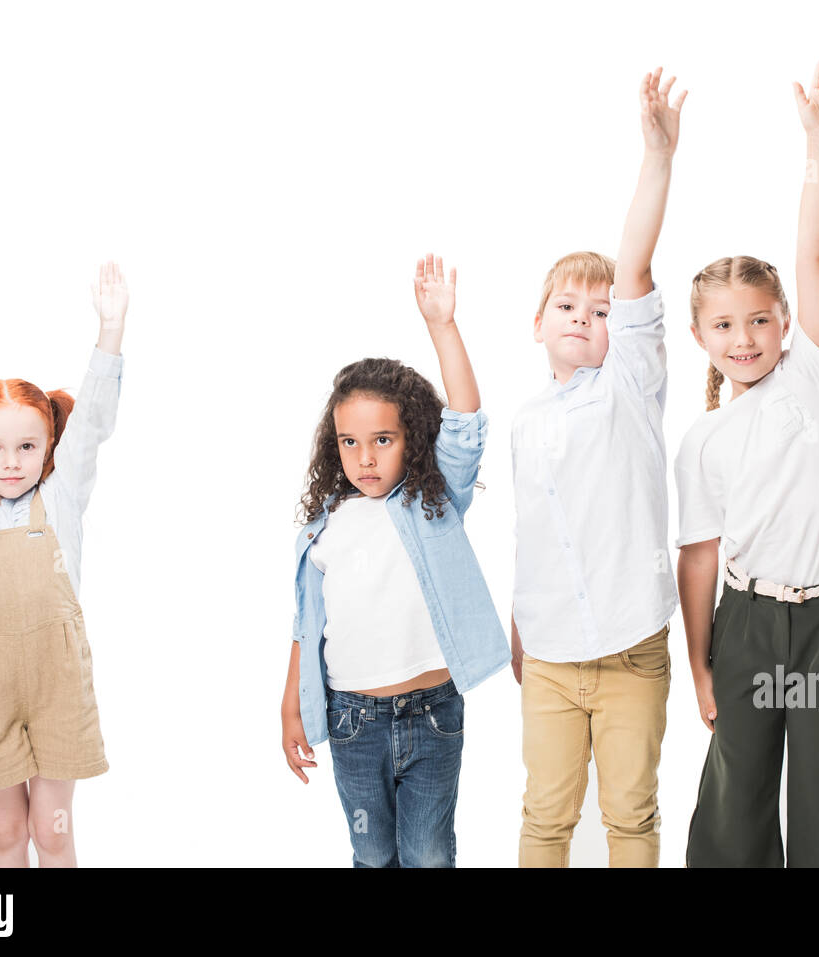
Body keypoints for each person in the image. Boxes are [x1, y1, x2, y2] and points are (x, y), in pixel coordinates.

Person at [676, 54, 819, 867]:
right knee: (737, 808)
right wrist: (700, 665)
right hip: (750, 627)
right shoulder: (705, 440)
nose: (745, 339)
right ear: (701, 338)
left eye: (759, 320)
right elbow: (698, 558)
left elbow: (813, 253)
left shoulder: (816, 373)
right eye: (724, 326)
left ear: (786, 322)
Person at [282, 254, 509, 867]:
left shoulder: (432, 501)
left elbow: (466, 422)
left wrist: (443, 325)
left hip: (434, 712)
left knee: (429, 855)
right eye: (350, 443)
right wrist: (291, 707)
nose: (366, 457)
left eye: (383, 439)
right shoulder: (325, 527)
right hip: (353, 721)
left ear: (412, 435)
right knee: (373, 854)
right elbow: (308, 628)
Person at [510, 67, 685, 868]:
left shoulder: (630, 385)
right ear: (538, 322)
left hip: (629, 647)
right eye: (568, 307)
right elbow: (537, 530)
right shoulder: (527, 421)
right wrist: (522, 619)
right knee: (546, 816)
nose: (586, 319)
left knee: (631, 813)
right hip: (547, 651)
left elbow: (636, 266)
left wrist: (656, 157)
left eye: (602, 310)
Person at [0, 262, 128, 867]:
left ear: (49, 449)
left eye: (28, 446)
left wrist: (109, 333)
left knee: (53, 832)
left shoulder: (59, 502)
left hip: (58, 696)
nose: (12, 462)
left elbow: (89, 423)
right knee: (8, 836)